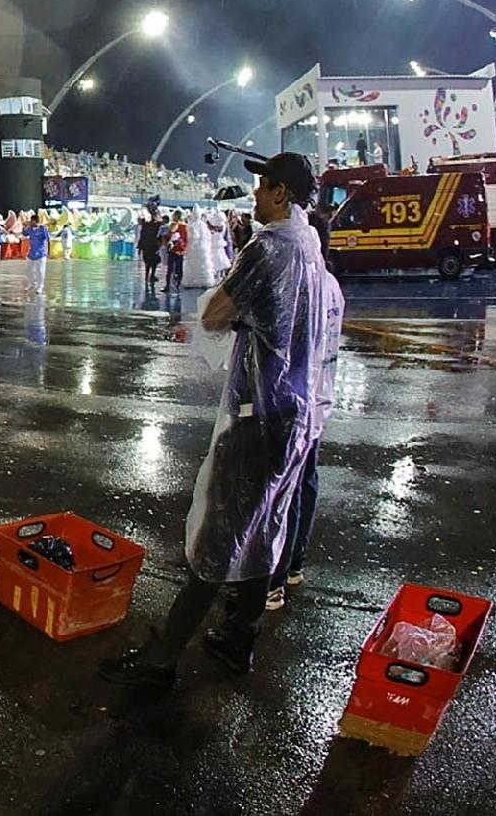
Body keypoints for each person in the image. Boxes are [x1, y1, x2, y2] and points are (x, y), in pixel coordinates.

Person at [99, 152, 326, 687]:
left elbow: (213, 314)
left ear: (282, 195)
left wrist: (239, 310)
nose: (254, 196)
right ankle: (237, 639)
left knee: (218, 535)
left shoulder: (268, 249)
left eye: (263, 187)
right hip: (298, 411)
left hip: (257, 413)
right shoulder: (312, 248)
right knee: (265, 525)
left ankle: (160, 661)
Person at [269, 256, 344, 610]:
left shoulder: (306, 287)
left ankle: (274, 581)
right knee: (305, 481)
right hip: (319, 400)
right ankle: (295, 563)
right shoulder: (331, 286)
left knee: (286, 491)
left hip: (297, 403)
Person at [137, 203, 163, 289]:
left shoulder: (146, 226)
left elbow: (142, 236)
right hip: (153, 246)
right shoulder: (156, 226)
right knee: (153, 262)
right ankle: (151, 275)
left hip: (146, 246)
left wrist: (140, 247)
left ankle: (147, 275)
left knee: (148, 262)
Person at [24, 211, 51, 295]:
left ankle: (40, 287)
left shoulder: (43, 229)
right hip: (31, 253)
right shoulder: (30, 229)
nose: (31, 222)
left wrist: (48, 252)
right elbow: (24, 234)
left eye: (32, 221)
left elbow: (48, 240)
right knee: (28, 270)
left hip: (41, 254)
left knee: (40, 271)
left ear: (36, 221)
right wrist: (26, 226)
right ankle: (32, 283)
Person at [165, 210, 189, 291]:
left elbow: (168, 237)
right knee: (179, 269)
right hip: (180, 250)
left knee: (170, 269)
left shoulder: (173, 226)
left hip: (173, 250)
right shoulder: (185, 227)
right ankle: (178, 286)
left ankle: (168, 286)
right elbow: (186, 240)